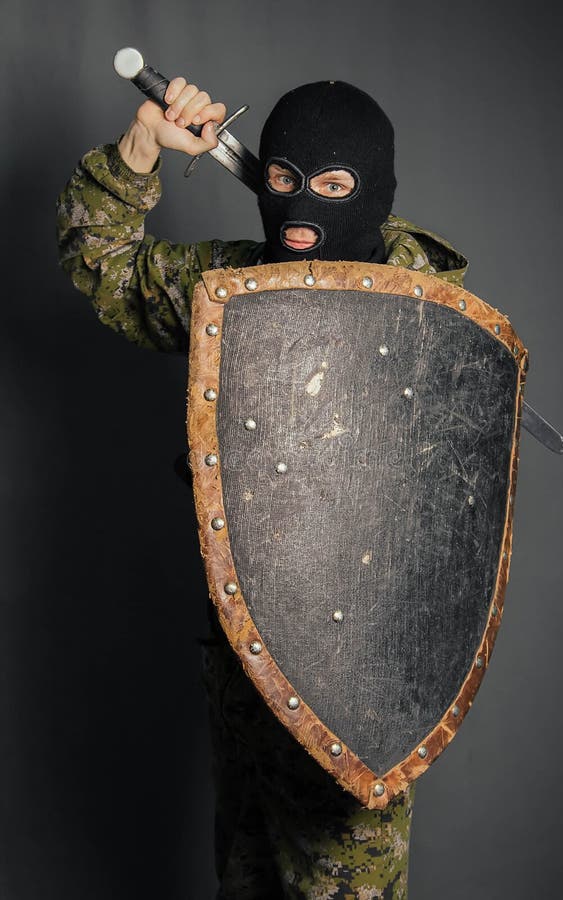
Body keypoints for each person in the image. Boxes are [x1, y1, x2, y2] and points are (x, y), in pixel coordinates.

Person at [56, 75, 468, 899]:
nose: (301, 204)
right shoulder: (227, 286)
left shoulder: (430, 313)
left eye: (335, 187)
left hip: (353, 687)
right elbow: (105, 264)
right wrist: (144, 147)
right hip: (243, 666)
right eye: (281, 180)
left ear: (374, 194)